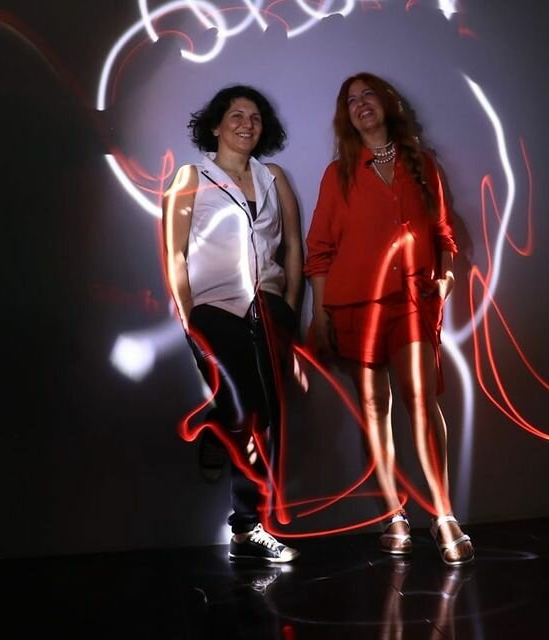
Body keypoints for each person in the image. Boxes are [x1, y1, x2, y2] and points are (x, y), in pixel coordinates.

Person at [304, 72, 474, 565]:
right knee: (374, 408)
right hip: (355, 306)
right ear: (346, 117)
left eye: (368, 95)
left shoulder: (421, 164)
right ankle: (392, 515)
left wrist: (446, 277)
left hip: (411, 302)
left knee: (421, 401)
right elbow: (319, 251)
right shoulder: (338, 174)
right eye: (351, 100)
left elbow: (443, 232)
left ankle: (442, 513)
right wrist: (320, 313)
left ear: (386, 103)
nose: (360, 104)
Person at [162, 85, 302, 563]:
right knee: (246, 408)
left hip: (269, 306)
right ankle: (217, 429)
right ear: (216, 125)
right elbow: (175, 253)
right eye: (236, 115)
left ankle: (245, 527)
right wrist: (189, 320)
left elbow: (293, 247)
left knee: (265, 419)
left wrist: (290, 308)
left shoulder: (273, 177)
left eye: (255, 117)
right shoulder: (191, 177)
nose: (247, 124)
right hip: (215, 308)